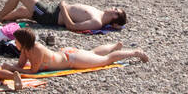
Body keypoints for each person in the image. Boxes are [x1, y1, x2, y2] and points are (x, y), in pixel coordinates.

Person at [0, 0, 126, 30]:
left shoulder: (97, 22)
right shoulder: (98, 12)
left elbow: (71, 26)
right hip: (54, 9)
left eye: (115, 11)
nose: (113, 8)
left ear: (114, 19)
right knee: (20, 11)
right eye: (115, 8)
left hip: (50, 15)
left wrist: (63, 8)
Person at [12, 28, 147, 72]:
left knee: (106, 60)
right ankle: (114, 46)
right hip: (67, 54)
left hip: (72, 60)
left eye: (16, 41)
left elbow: (33, 71)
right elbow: (20, 66)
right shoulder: (26, 49)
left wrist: (11, 68)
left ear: (22, 41)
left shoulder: (36, 49)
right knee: (92, 53)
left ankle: (135, 52)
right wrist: (12, 68)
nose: (14, 43)